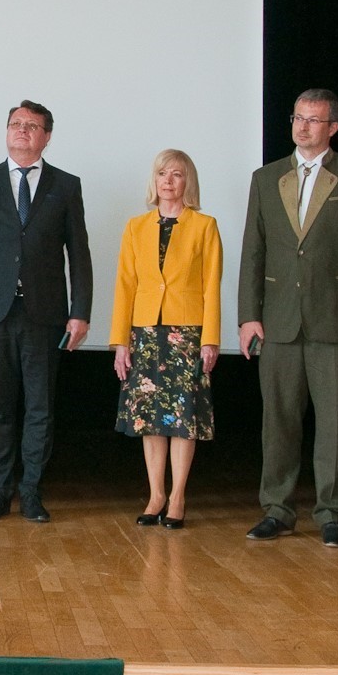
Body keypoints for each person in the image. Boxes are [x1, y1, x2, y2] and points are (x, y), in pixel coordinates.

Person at [237, 89, 338, 547]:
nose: (303, 127)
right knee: (277, 420)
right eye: (298, 117)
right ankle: (277, 509)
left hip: (336, 321)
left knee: (337, 422)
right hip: (278, 322)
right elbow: (253, 251)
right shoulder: (266, 178)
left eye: (314, 120)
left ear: (333, 127)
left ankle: (333, 512)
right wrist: (248, 316)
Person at [0, 100, 92, 523]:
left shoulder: (65, 185)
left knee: (39, 408)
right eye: (16, 124)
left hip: (45, 314)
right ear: (6, 131)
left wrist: (80, 310)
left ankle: (31, 491)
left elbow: (78, 255)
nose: (22, 131)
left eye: (32, 126)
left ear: (47, 136)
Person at [109, 149, 223, 529]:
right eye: (162, 173)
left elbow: (211, 288)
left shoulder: (204, 226)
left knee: (182, 419)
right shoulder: (135, 227)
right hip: (144, 333)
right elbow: (125, 285)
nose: (169, 181)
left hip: (186, 335)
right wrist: (119, 342)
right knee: (150, 421)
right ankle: (156, 493)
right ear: (154, 180)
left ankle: (177, 497)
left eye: (177, 174)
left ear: (187, 182)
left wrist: (211, 339)